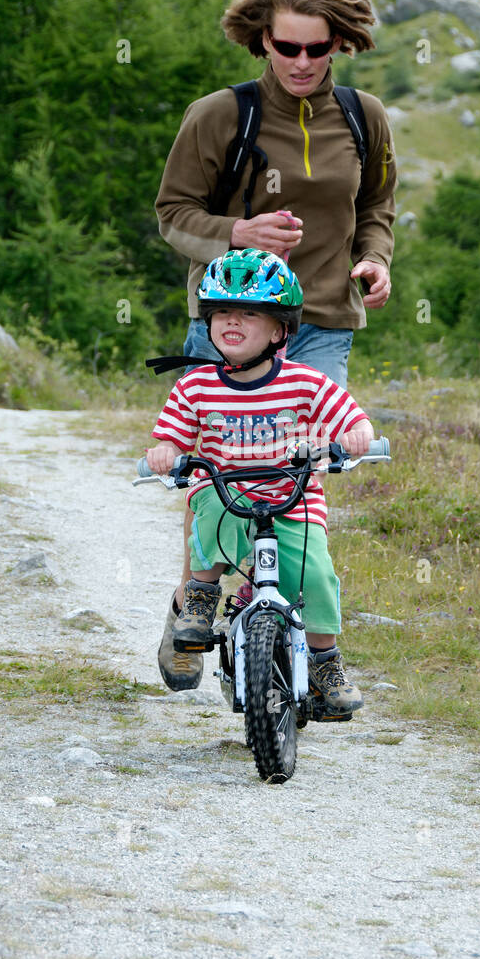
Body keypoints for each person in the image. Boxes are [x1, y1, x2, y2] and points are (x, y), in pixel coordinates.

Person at [153, 0, 396, 689]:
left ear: (339, 45)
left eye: (315, 49)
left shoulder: (362, 115)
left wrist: (375, 260)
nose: (299, 63)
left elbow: (376, 204)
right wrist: (238, 231)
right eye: (284, 47)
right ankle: (194, 596)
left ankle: (309, 652)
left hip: (321, 321)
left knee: (301, 474)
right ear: (263, 39)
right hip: (231, 320)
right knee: (218, 463)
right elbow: (173, 214)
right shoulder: (220, 115)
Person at [146, 249, 374, 713]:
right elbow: (169, 437)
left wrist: (356, 436)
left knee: (315, 576)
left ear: (278, 330)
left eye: (249, 313)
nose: (233, 321)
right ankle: (201, 599)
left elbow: (352, 418)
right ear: (208, 323)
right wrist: (165, 454)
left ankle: (325, 663)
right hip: (227, 495)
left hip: (293, 501)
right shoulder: (196, 386)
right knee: (207, 504)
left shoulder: (305, 383)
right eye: (222, 312)